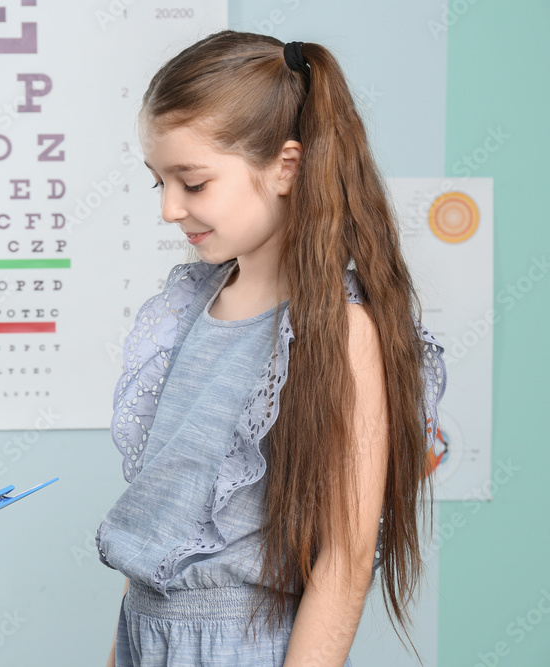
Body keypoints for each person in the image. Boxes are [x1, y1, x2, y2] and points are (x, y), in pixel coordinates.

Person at [97, 31, 446, 666]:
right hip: (146, 637)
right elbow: (161, 531)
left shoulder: (339, 333)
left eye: (193, 183)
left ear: (286, 166)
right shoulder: (184, 311)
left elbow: (342, 569)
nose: (170, 209)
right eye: (159, 184)